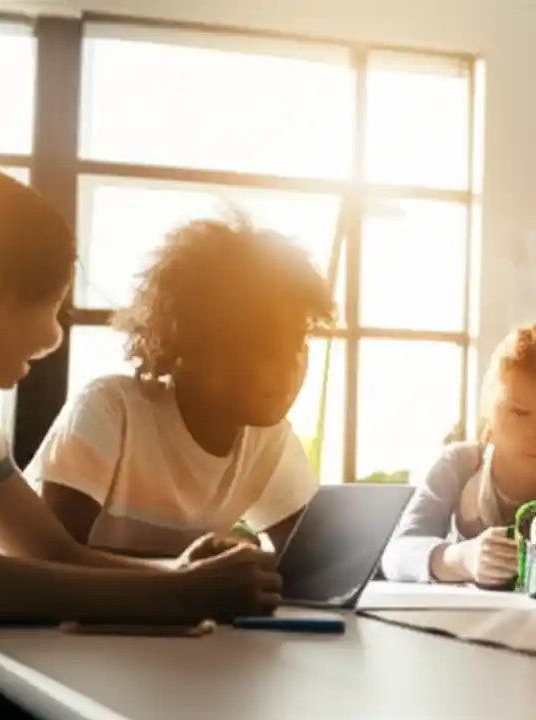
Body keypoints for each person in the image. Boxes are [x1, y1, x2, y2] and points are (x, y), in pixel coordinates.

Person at [0, 162, 279, 715]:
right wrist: (177, 595)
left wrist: (183, 573)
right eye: (50, 308)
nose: (52, 338)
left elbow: (54, 551)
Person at [30, 217, 333, 558]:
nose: (290, 364)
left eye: (298, 341)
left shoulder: (269, 441)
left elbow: (314, 564)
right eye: (263, 343)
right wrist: (184, 579)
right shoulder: (112, 410)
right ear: (189, 343)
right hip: (19, 609)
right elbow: (53, 561)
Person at [382, 323, 536, 587]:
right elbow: (398, 553)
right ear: (487, 404)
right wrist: (463, 559)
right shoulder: (461, 464)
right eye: (520, 413)